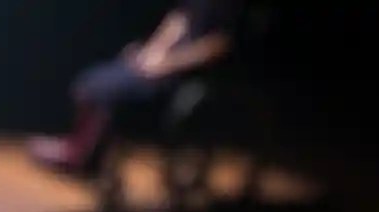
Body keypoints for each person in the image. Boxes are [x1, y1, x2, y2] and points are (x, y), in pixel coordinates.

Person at [29, 0, 243, 174]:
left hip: (188, 76)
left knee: (108, 92)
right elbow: (180, 19)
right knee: (92, 81)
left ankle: (86, 157)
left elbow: (217, 46)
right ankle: (79, 148)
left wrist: (167, 64)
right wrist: (152, 52)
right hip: (163, 64)